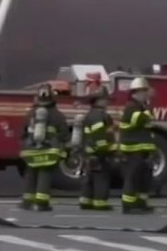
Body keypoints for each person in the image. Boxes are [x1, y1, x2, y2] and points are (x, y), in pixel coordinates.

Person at [19, 83, 68, 212]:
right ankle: (41, 203)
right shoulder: (57, 115)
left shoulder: (30, 113)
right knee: (44, 175)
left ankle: (27, 201)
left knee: (30, 174)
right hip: (49, 150)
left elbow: (23, 132)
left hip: (31, 149)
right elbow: (64, 134)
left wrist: (24, 146)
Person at [118, 76, 156, 214]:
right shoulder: (132, 107)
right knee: (132, 177)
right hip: (132, 149)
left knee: (142, 178)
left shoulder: (140, 106)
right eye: (145, 91)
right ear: (138, 92)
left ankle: (140, 202)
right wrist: (148, 111)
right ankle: (128, 204)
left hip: (141, 149)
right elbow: (140, 120)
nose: (147, 94)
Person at [78, 86, 115, 211]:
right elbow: (100, 135)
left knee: (90, 177)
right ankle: (100, 203)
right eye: (105, 99)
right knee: (101, 177)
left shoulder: (90, 115)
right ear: (98, 100)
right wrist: (108, 149)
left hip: (89, 151)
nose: (107, 101)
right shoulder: (99, 116)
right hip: (99, 152)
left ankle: (86, 200)